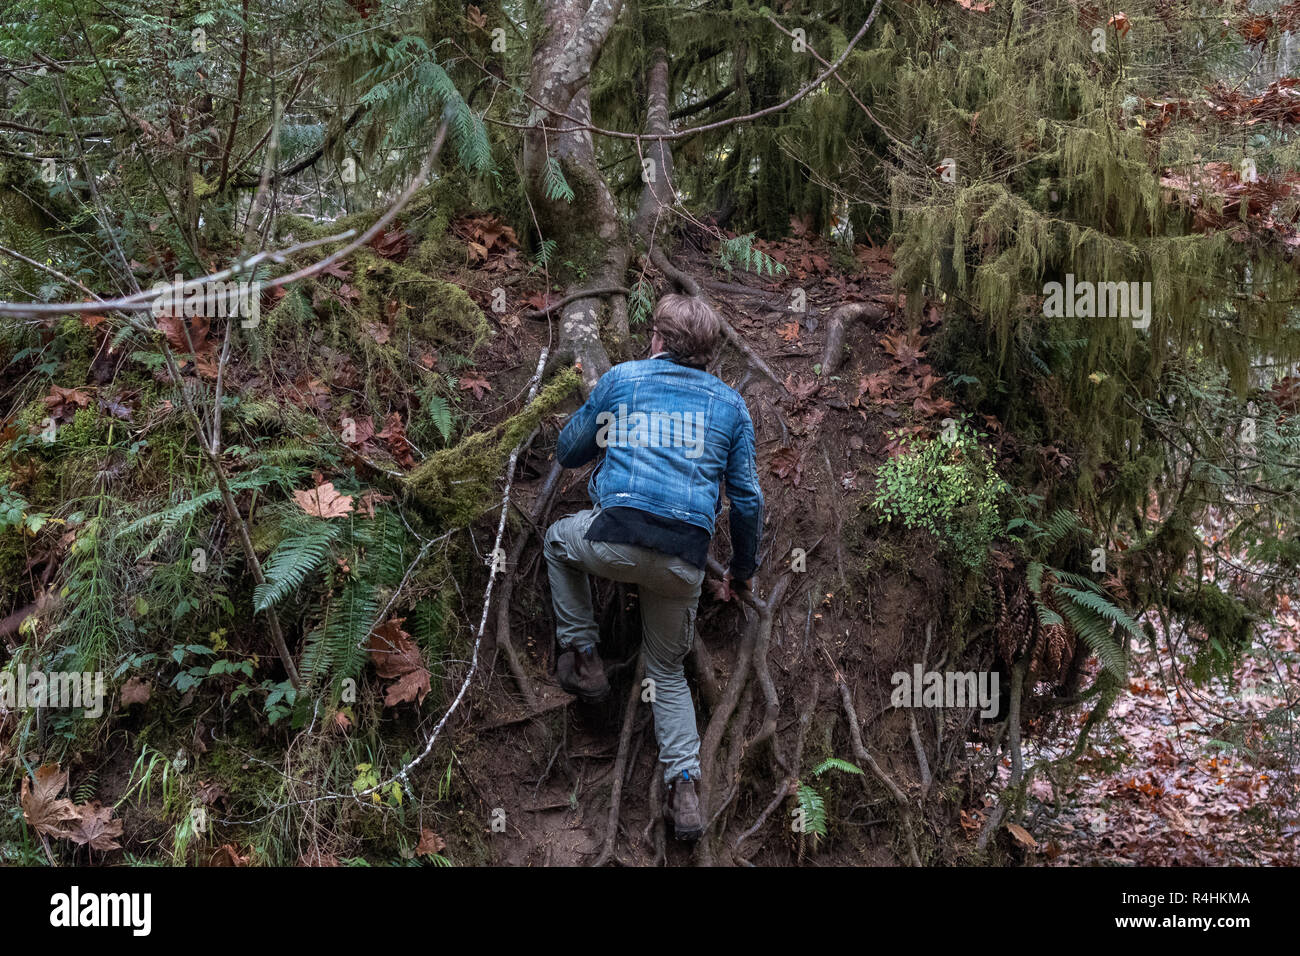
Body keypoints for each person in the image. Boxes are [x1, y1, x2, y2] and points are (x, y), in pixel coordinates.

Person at [543, 293, 764, 841]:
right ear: (709, 352)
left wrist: (596, 407)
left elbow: (569, 451)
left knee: (555, 540)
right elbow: (748, 501)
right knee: (667, 672)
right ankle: (685, 788)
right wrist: (741, 571)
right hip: (683, 564)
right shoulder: (731, 407)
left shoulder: (623, 380)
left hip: (612, 543)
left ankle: (584, 653)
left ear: (659, 340)